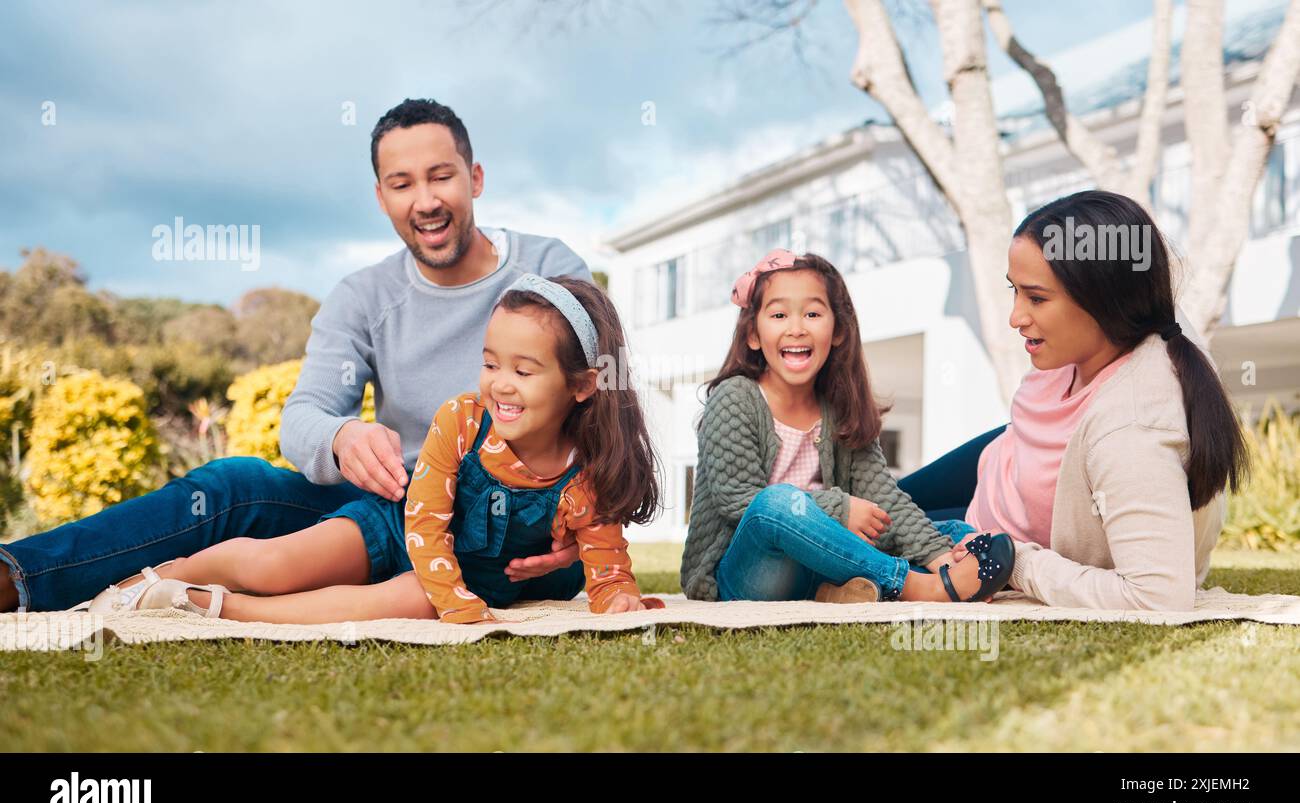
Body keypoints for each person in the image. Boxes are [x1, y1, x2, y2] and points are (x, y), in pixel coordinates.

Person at [1, 98, 591, 613]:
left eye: (442, 177)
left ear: (476, 178)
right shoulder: (363, 295)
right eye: (402, 183)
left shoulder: (546, 271)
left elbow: (603, 402)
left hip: (518, 516)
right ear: (381, 196)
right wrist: (341, 438)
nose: (426, 201)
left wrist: (569, 521)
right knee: (234, 482)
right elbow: (303, 414)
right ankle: (18, 577)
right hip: (389, 502)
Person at [85, 276, 665, 623]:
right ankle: (159, 574)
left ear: (584, 384)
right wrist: (451, 596)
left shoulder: (586, 471)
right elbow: (427, 519)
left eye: (524, 369)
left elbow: (606, 562)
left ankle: (205, 605)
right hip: (397, 524)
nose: (500, 383)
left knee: (407, 602)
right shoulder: (462, 420)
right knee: (275, 563)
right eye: (490, 363)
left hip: (473, 576)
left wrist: (618, 597)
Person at [906, 190, 1248, 611]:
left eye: (1036, 297)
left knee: (849, 542)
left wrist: (1017, 563)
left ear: (1102, 299)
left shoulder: (1133, 429)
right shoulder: (1125, 319)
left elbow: (1157, 596)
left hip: (990, 533)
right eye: (1014, 291)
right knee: (856, 504)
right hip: (1006, 458)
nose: (1015, 317)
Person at [680, 250, 1016, 605]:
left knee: (952, 534)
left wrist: (939, 556)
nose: (796, 328)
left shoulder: (840, 407)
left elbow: (884, 497)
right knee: (775, 503)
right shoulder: (735, 398)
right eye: (779, 315)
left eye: (812, 314)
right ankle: (913, 585)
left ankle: (845, 590)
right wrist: (838, 509)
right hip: (749, 573)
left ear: (838, 330)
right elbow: (738, 501)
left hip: (824, 558)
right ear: (752, 334)